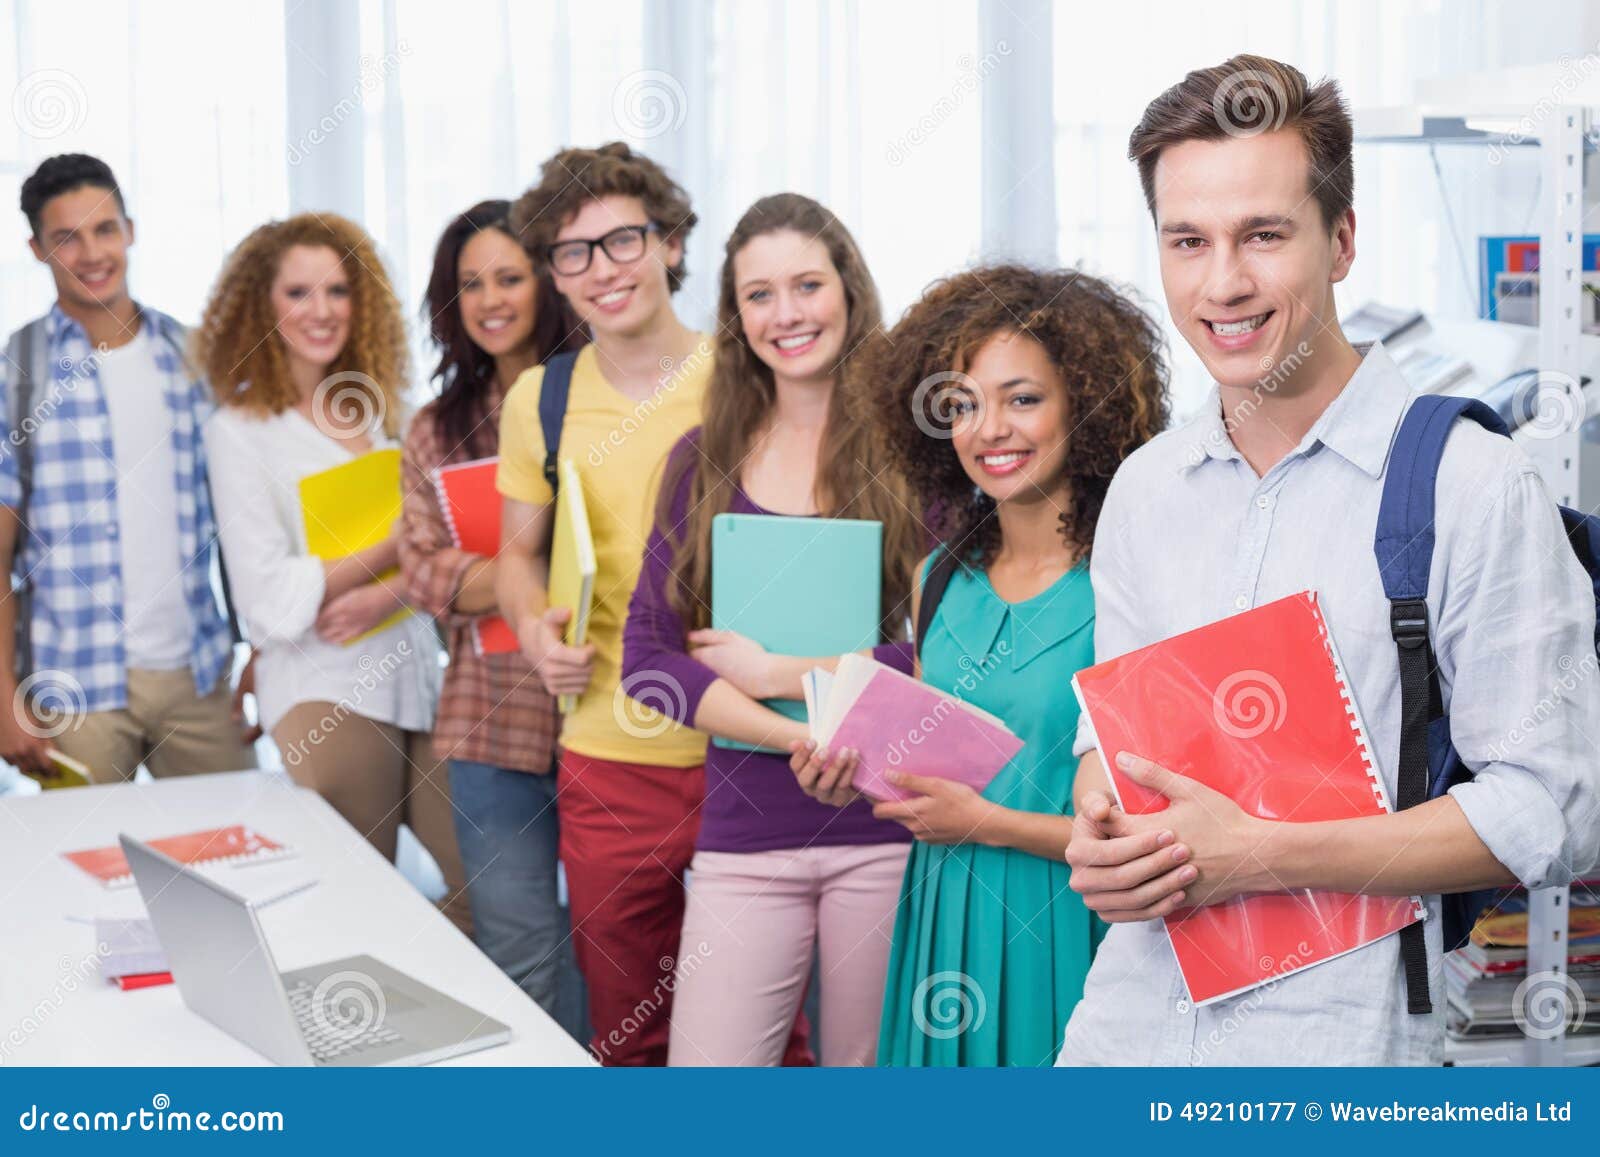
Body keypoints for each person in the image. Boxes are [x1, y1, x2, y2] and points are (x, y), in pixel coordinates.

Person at [1057, 55, 1600, 1066]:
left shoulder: (1470, 485)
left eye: (1263, 235)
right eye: (1188, 241)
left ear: (1341, 240)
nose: (1222, 283)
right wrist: (1096, 818)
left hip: (1340, 1050)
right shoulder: (1144, 489)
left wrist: (1257, 854)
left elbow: (1552, 803)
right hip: (1124, 1031)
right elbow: (1114, 740)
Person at [791, 264, 1169, 1066]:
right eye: (962, 404)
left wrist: (985, 823)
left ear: (1087, 404)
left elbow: (1154, 837)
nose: (988, 427)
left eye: (1022, 398)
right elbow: (941, 766)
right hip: (942, 915)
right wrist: (852, 770)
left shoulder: (1134, 584)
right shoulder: (939, 578)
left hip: (1069, 925)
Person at [497, 144, 808, 1065]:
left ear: (671, 244)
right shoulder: (539, 400)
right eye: (574, 253)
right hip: (606, 754)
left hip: (749, 742)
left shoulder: (752, 376)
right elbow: (517, 554)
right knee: (626, 1023)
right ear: (555, 276)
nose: (603, 270)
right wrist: (529, 626)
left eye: (623, 240)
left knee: (767, 1027)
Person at [622, 194, 925, 1066]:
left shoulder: (917, 449)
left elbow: (954, 646)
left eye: (806, 284)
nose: (786, 313)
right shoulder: (699, 457)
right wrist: (789, 731)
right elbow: (648, 663)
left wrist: (783, 670)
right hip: (746, 833)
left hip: (891, 824)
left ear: (849, 291)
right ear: (735, 315)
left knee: (875, 1090)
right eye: (759, 294)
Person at [196, 213, 471, 935]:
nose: (321, 311)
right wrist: (391, 547)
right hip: (326, 691)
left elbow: (445, 549)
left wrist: (388, 586)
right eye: (298, 292)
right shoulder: (239, 431)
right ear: (263, 303)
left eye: (338, 290)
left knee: (486, 885)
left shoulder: (389, 416)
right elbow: (269, 602)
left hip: (420, 678)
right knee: (360, 911)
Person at [0, 153, 255, 785]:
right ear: (37, 249)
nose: (91, 253)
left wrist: (263, 650)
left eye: (105, 229)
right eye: (67, 237)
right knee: (88, 872)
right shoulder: (17, 371)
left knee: (229, 856)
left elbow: (246, 519)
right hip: (71, 685)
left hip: (197, 675)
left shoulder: (194, 356)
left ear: (131, 231)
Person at [400, 199, 584, 1022]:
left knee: (621, 948)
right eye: (470, 283)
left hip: (607, 708)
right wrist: (534, 562)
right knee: (519, 952)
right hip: (491, 716)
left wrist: (493, 566)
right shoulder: (437, 428)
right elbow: (424, 574)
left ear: (550, 282)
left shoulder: (604, 404)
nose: (490, 299)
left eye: (509, 276)